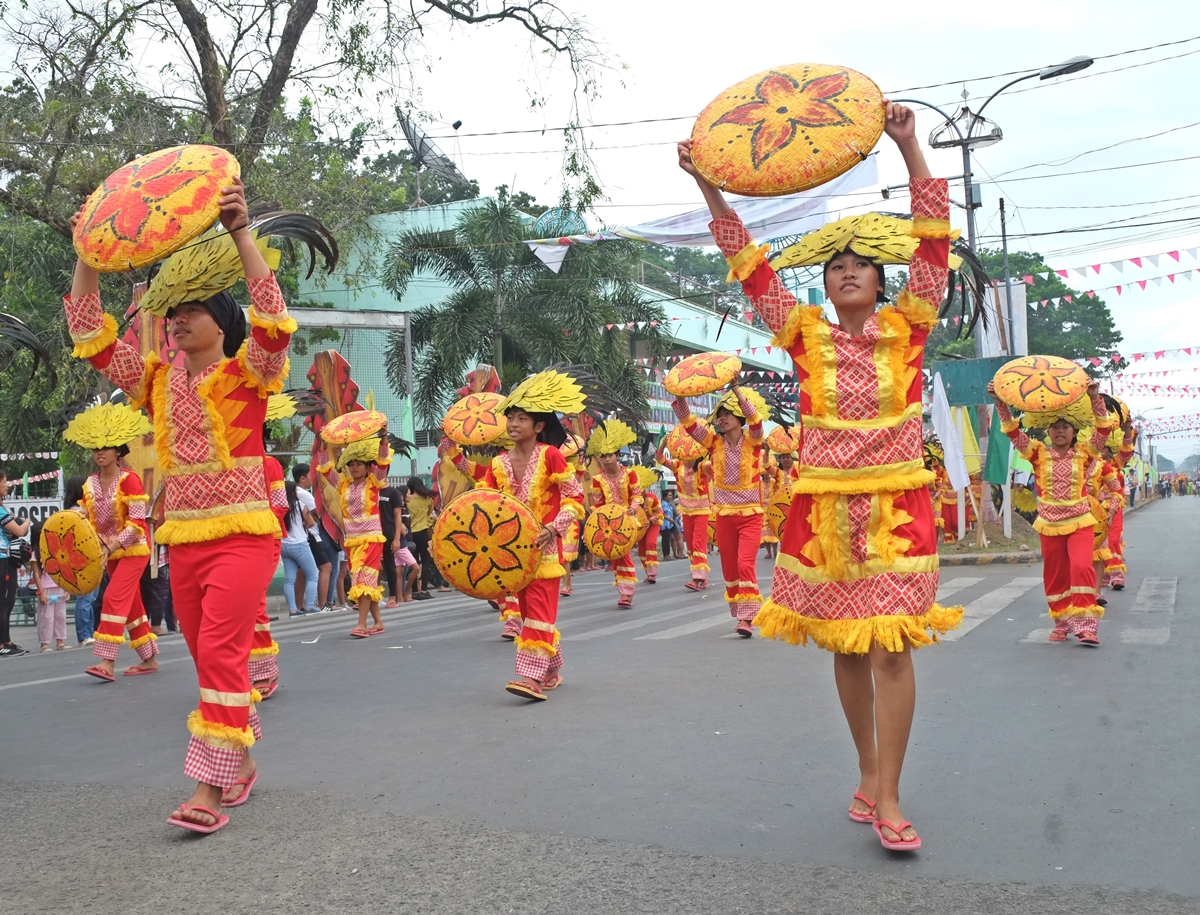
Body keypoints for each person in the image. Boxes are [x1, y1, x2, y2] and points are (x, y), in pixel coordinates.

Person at [679, 103, 966, 850]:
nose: (845, 274)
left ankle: (894, 796)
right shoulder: (800, 332)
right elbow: (748, 266)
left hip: (898, 504)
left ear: (879, 280)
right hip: (824, 512)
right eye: (834, 268)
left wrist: (911, 149)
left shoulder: (911, 324)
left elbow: (934, 245)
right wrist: (711, 189)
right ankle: (867, 770)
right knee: (845, 645)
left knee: (892, 645)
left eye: (858, 267)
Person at [64, 177, 297, 833]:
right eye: (173, 312)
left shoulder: (252, 371)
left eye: (191, 308)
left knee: (221, 650)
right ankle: (240, 761)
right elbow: (89, 332)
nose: (176, 318)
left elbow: (275, 322)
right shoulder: (154, 380)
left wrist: (239, 233)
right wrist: (90, 248)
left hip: (245, 537)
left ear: (221, 321)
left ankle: (210, 786)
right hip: (183, 542)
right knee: (207, 654)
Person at [450, 369, 585, 700]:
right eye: (510, 417)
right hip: (510, 554)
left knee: (538, 612)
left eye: (521, 418)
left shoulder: (551, 456)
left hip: (545, 551)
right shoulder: (497, 463)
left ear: (538, 426)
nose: (512, 423)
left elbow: (575, 496)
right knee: (528, 614)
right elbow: (483, 505)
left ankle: (530, 677)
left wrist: (555, 527)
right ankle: (551, 670)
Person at [989, 381, 1111, 644]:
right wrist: (1000, 402)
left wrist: (1094, 397)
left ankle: (1087, 625)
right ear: (1048, 430)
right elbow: (1011, 432)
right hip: (1049, 524)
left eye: (1065, 426)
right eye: (1055, 426)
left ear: (1074, 431)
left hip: (1080, 521)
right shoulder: (1036, 453)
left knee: (1081, 567)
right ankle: (1062, 622)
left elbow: (1103, 429)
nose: (1059, 430)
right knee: (1055, 575)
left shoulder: (1086, 453)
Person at [60, 402, 157, 681]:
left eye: (106, 446)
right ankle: (149, 659)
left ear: (119, 451)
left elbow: (138, 524)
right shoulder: (88, 483)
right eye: (95, 447)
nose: (99, 452)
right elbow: (88, 522)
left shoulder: (130, 481)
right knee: (133, 605)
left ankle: (107, 662)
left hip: (134, 550)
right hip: (108, 555)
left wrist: (111, 545)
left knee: (114, 598)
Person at [672, 386, 766, 636]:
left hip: (750, 516)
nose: (721, 419)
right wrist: (679, 395)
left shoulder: (754, 441)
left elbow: (756, 420)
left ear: (739, 418)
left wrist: (736, 390)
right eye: (719, 415)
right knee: (730, 568)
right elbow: (690, 425)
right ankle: (740, 611)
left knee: (745, 564)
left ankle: (747, 619)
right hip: (724, 516)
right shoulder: (713, 444)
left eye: (727, 414)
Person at [315, 431, 393, 638]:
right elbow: (326, 470)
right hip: (352, 540)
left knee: (362, 581)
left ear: (368, 468)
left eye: (359, 464)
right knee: (364, 581)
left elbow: (383, 463)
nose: (354, 467)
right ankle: (378, 621)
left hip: (372, 538)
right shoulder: (343, 485)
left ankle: (361, 624)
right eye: (351, 464)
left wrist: (384, 440)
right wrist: (323, 446)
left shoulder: (374, 483)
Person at [586, 420, 643, 609]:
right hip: (607, 523)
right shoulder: (597, 479)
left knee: (623, 554)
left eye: (610, 455)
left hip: (627, 519)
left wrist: (634, 507)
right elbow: (598, 503)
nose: (606, 458)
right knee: (614, 556)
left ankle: (627, 593)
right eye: (603, 455)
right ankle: (624, 589)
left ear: (618, 455)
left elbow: (637, 494)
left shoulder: (630, 474)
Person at [656, 433, 710, 591]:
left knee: (698, 542)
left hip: (701, 510)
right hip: (686, 510)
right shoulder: (677, 465)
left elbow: (717, 464)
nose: (687, 455)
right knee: (692, 545)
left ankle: (698, 578)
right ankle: (702, 577)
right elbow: (659, 458)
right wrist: (663, 443)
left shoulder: (703, 466)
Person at [61, 475, 98, 646]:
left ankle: (88, 632)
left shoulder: (73, 510)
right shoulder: (76, 512)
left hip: (90, 557)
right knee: (86, 597)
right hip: (83, 558)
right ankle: (84, 634)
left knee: (91, 598)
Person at [291, 463, 334, 612]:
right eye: (310, 476)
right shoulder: (304, 494)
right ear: (302, 478)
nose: (312, 479)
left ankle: (298, 606)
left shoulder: (293, 492)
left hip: (299, 537)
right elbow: (318, 513)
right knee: (325, 567)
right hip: (311, 535)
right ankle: (322, 604)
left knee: (301, 572)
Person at [0, 466, 30, 657]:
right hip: (2, 558)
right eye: (4, 481)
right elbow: (20, 530)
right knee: (3, 602)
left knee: (8, 601)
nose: (6, 485)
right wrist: (25, 521)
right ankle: (1, 643)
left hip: (7, 558)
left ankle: (7, 640)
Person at [29, 521, 69, 652]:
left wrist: (67, 588)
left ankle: (60, 641)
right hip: (45, 588)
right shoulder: (36, 553)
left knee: (60, 616)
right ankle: (44, 644)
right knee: (46, 617)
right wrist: (41, 592)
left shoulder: (56, 550)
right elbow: (36, 573)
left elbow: (62, 569)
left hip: (59, 587)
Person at [406, 477, 446, 596]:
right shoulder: (427, 498)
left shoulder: (407, 500)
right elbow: (429, 513)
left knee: (413, 562)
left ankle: (414, 590)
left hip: (410, 534)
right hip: (423, 532)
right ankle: (424, 590)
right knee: (426, 561)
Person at [377, 482, 406, 608]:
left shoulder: (393, 492)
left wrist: (397, 538)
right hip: (372, 533)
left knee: (389, 565)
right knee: (375, 567)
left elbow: (397, 516)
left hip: (388, 533)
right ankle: (373, 594)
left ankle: (393, 596)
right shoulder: (370, 490)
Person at [634, 466, 663, 584]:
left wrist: (651, 519)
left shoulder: (651, 498)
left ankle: (652, 574)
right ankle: (648, 572)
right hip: (640, 526)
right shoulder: (631, 501)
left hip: (653, 523)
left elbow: (661, 513)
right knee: (641, 550)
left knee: (650, 543)